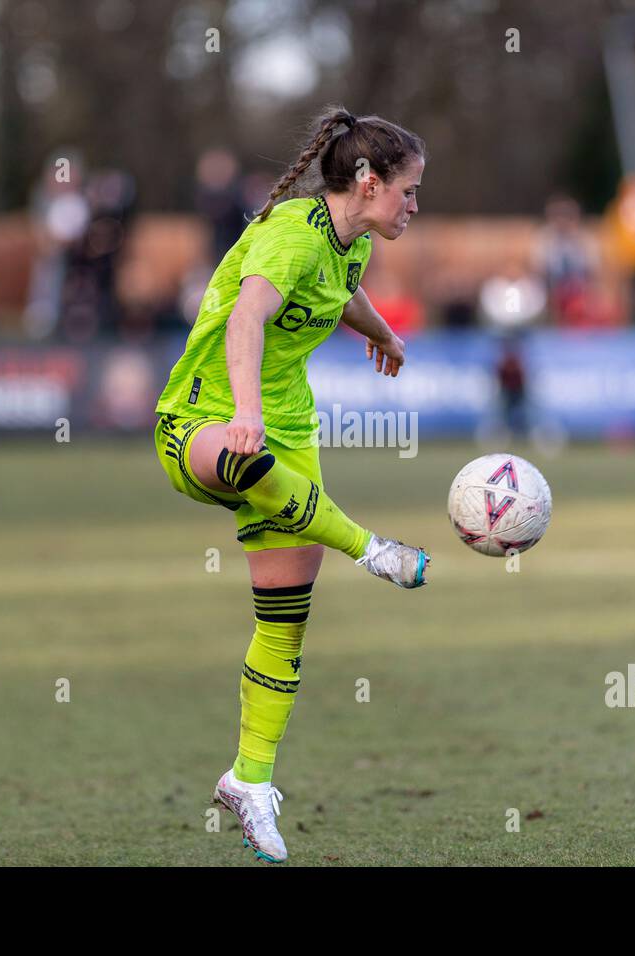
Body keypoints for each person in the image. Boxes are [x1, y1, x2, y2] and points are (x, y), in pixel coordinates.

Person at [152, 105, 428, 864]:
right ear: (367, 183)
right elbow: (247, 318)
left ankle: (249, 780)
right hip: (206, 419)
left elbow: (340, 293)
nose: (413, 205)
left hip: (291, 433)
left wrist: (384, 334)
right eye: (407, 191)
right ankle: (369, 548)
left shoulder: (349, 243)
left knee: (284, 624)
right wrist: (244, 413)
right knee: (249, 465)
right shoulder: (289, 235)